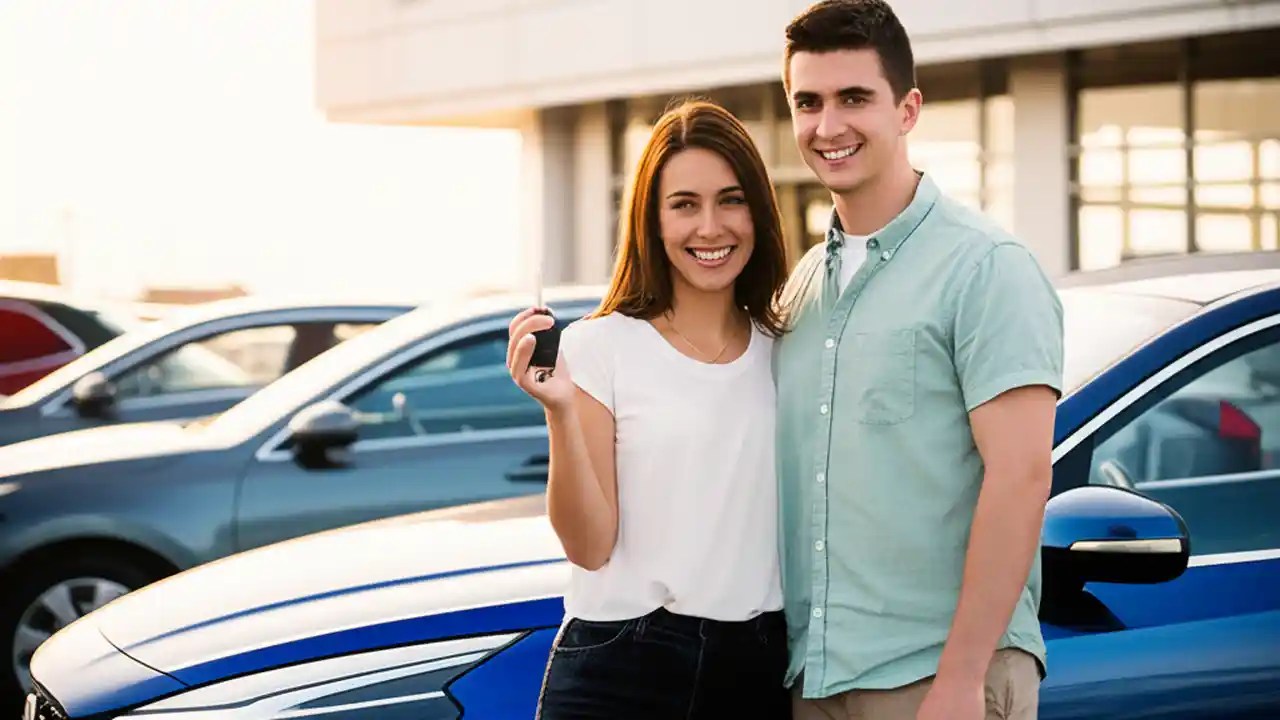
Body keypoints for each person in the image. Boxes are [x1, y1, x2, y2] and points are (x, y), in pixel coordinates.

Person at [773, 2, 1065, 719]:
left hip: (937, 677)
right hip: (814, 679)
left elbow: (1022, 475)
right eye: (807, 102)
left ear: (907, 110)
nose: (827, 125)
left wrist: (962, 679)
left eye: (854, 98)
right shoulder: (805, 284)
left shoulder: (986, 267)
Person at [507, 99, 793, 720]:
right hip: (620, 666)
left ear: (759, 212)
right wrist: (558, 410)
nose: (710, 227)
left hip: (756, 667)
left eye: (731, 199)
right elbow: (588, 546)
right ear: (652, 220)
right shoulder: (599, 345)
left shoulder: (787, 350)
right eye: (684, 204)